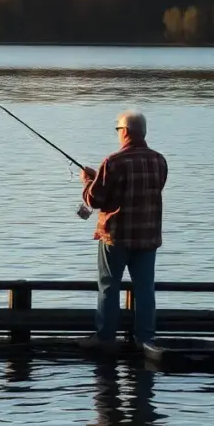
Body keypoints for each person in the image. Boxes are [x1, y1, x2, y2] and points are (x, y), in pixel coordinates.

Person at [78, 110, 168, 353]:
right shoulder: (159, 160)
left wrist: (88, 181)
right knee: (145, 288)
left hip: (115, 237)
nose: (118, 134)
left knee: (109, 286)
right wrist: (102, 181)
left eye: (118, 129)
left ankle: (106, 338)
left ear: (125, 132)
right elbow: (144, 189)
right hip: (148, 238)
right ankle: (146, 340)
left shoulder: (113, 162)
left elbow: (94, 200)